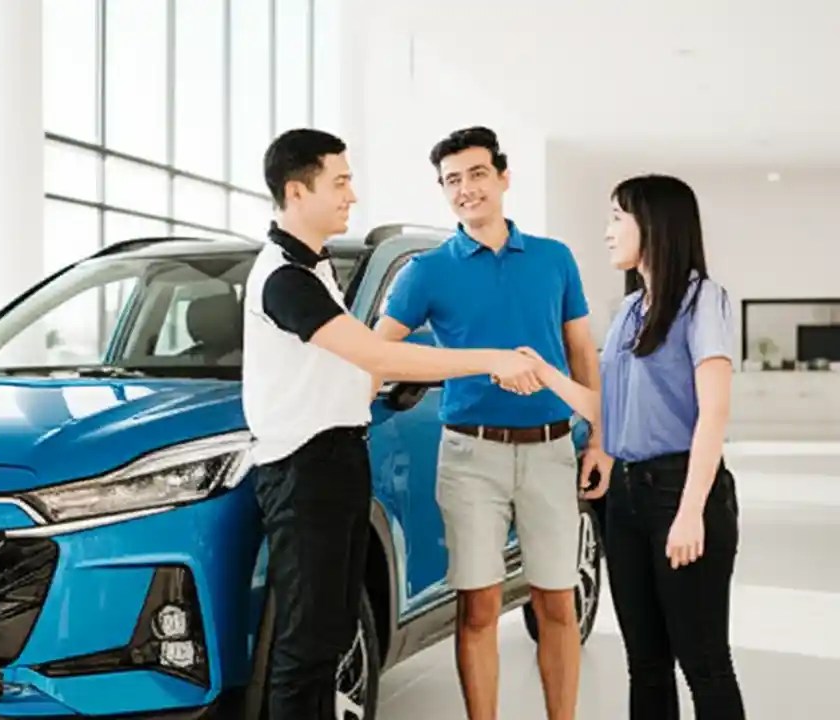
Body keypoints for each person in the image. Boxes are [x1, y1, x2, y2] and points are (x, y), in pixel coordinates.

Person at [243, 128, 543, 719]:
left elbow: (355, 370)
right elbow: (379, 356)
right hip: (304, 473)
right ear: (297, 192)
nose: (352, 194)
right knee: (305, 645)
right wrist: (490, 360)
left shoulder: (313, 266)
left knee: (329, 636)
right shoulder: (285, 278)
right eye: (341, 181)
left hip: (335, 463)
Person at [373, 126, 611, 720]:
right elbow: (378, 353)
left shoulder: (554, 259)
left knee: (557, 603)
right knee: (476, 609)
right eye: (453, 180)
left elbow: (582, 349)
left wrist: (599, 440)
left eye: (477, 174)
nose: (466, 189)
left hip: (552, 450)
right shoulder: (426, 273)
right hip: (469, 458)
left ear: (503, 177)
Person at [520, 174, 746, 719]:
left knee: (705, 662)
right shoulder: (627, 313)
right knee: (644, 662)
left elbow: (713, 410)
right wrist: (545, 374)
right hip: (625, 500)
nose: (607, 232)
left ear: (656, 225)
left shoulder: (701, 299)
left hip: (680, 491)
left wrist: (692, 511)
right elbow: (610, 412)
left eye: (617, 218)